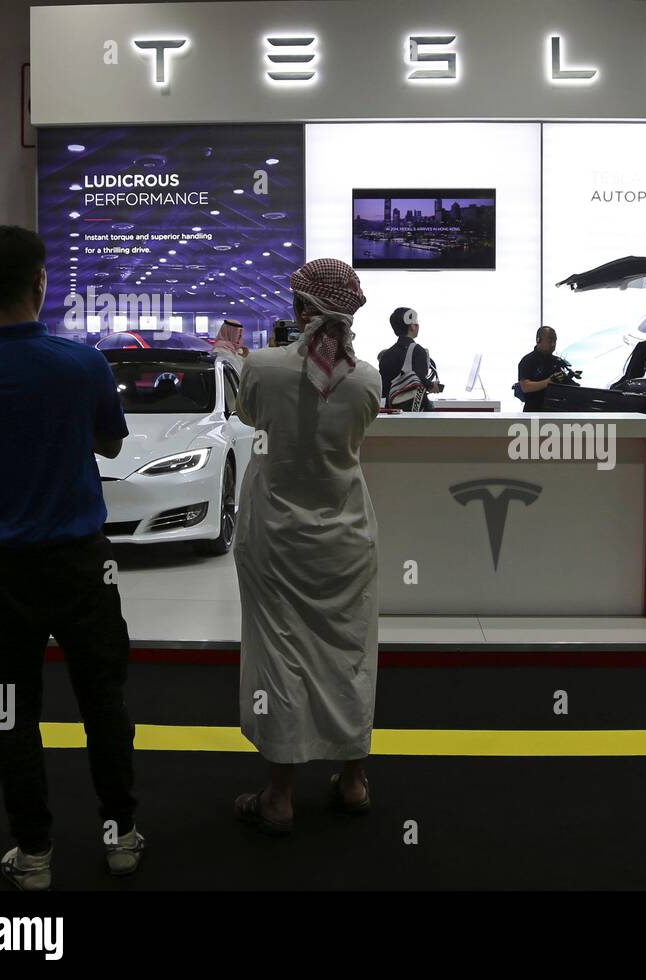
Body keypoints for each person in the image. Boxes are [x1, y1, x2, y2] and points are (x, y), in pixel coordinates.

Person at [0, 225, 142, 890]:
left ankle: (34, 854)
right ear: (40, 282)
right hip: (82, 564)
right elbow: (109, 445)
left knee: (13, 713)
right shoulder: (85, 367)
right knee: (103, 701)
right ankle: (121, 838)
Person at [232, 257, 382, 833]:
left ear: (301, 309)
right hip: (347, 537)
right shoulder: (367, 380)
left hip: (275, 538)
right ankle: (354, 781)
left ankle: (279, 797)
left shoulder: (263, 367)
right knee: (351, 655)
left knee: (282, 657)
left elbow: (248, 413)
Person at [378, 306, 442, 410]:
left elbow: (383, 390)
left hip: (392, 411)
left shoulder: (386, 355)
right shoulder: (419, 351)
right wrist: (432, 386)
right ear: (412, 326)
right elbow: (419, 380)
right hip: (417, 412)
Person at [517, 326, 565, 412]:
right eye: (550, 341)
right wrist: (548, 382)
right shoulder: (528, 360)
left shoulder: (557, 361)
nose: (553, 344)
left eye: (555, 341)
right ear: (538, 340)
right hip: (533, 410)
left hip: (555, 410)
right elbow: (525, 386)